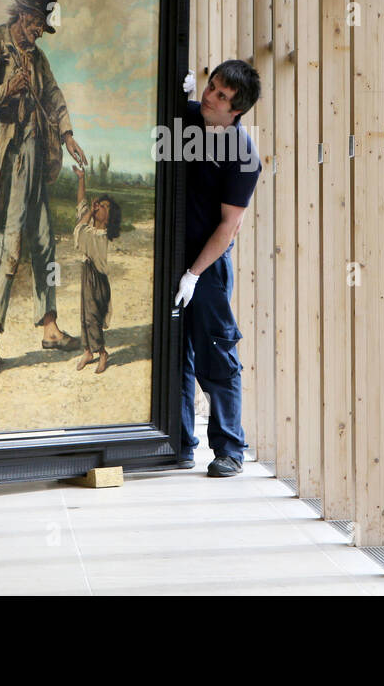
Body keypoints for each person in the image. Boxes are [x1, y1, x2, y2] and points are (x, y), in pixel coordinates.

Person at [0, 0, 88, 388]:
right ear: (22, 13)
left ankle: (50, 328)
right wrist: (7, 87)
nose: (40, 29)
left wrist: (69, 136)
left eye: (44, 24)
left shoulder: (38, 58)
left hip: (41, 157)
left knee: (45, 244)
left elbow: (53, 97)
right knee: (11, 245)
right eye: (36, 20)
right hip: (12, 157)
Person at [174, 59, 263, 477]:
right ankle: (178, 443)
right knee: (175, 350)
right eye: (211, 87)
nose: (210, 97)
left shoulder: (243, 156)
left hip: (207, 265)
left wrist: (193, 275)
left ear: (236, 111)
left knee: (215, 349)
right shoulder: (188, 120)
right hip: (171, 255)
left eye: (222, 97)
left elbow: (230, 226)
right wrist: (176, 92)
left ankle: (230, 449)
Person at [71, 164, 122, 374]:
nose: (99, 206)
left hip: (97, 279)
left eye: (105, 207)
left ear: (109, 218)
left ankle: (102, 352)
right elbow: (81, 204)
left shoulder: (100, 237)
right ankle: (87, 351)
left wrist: (87, 216)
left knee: (93, 316)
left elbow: (79, 231)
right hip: (87, 274)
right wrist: (81, 179)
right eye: (100, 204)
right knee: (84, 314)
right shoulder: (92, 224)